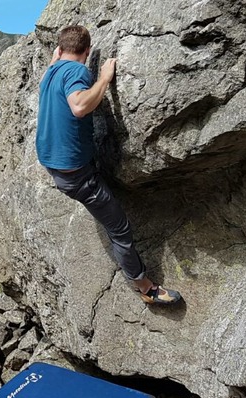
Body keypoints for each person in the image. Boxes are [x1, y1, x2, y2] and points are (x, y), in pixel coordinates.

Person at [35, 25, 182, 305]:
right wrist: (102, 79)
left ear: (59, 50)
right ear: (87, 52)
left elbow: (57, 64)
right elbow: (79, 106)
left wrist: (56, 58)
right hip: (77, 174)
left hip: (57, 164)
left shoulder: (50, 73)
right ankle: (145, 288)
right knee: (119, 229)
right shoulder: (78, 72)